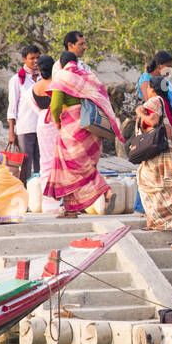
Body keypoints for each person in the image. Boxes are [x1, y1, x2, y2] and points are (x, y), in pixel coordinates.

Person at [46, 50, 124, 218]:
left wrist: (58, 123)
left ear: (61, 64)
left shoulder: (62, 77)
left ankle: (106, 191)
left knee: (74, 166)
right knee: (78, 165)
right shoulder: (89, 76)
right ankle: (71, 209)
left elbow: (55, 106)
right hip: (91, 127)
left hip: (72, 127)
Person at [136, 74, 172, 242]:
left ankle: (154, 221)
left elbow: (153, 122)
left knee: (146, 183)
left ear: (152, 89)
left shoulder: (153, 102)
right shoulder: (169, 105)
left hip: (162, 153)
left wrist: (139, 112)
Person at [6, 46, 43, 174]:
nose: (35, 61)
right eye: (32, 58)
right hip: (25, 128)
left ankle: (40, 193)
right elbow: (12, 108)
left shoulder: (43, 77)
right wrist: (11, 132)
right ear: (24, 59)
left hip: (42, 127)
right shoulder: (17, 80)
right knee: (25, 167)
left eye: (38, 57)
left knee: (41, 165)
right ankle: (25, 193)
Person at [31, 54, 60, 213]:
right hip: (55, 121)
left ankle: (47, 201)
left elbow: (34, 105)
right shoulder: (55, 85)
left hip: (41, 121)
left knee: (45, 161)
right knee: (59, 160)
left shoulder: (35, 87)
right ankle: (57, 200)